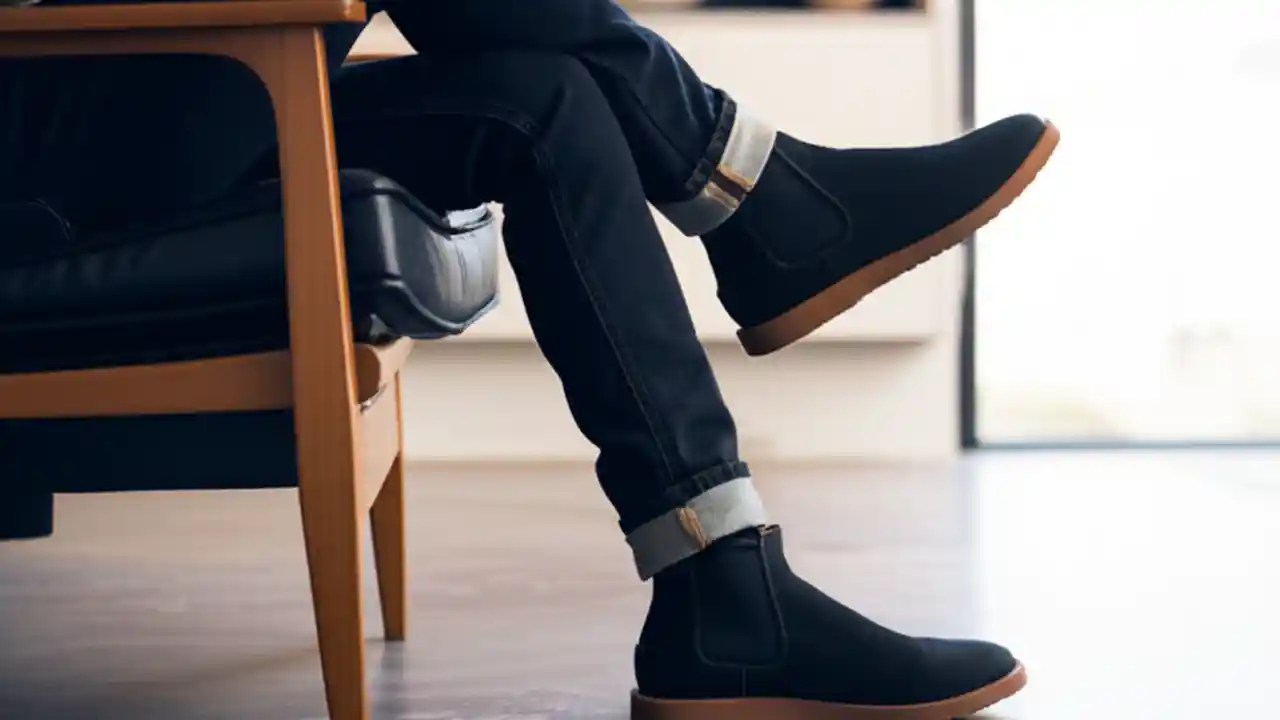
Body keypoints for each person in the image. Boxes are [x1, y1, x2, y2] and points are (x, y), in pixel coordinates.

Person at [0, 1, 1058, 717]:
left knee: (546, 100)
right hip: (57, 137)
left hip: (153, 92)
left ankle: (720, 584)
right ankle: (763, 195)